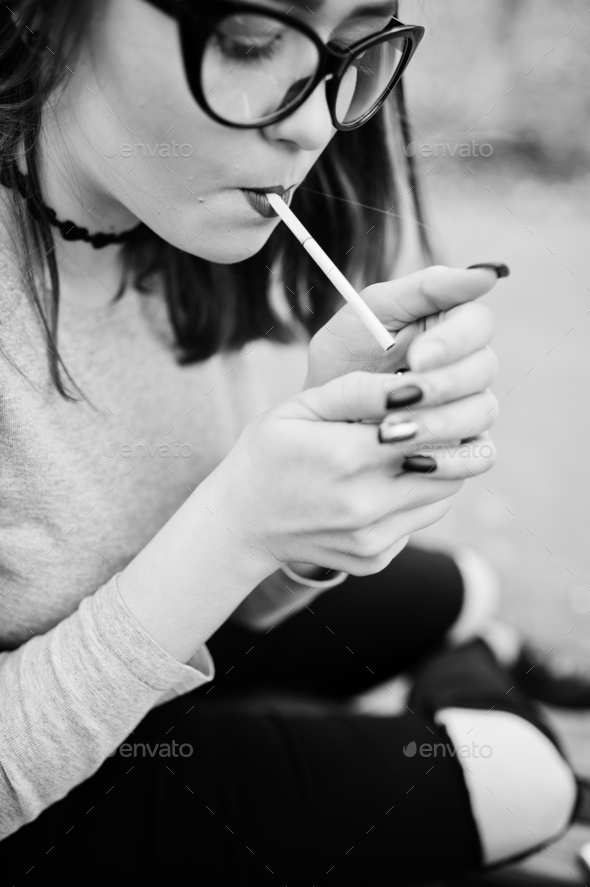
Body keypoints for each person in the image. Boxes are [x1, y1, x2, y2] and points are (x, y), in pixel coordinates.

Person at [0, 1, 583, 884]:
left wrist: (307, 532)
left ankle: (469, 661)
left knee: (459, 587)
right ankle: (475, 699)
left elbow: (217, 604)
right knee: (522, 775)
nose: (314, 122)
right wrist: (237, 525)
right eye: (250, 41)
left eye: (351, 50)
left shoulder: (164, 222)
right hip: (36, 793)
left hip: (145, 662)